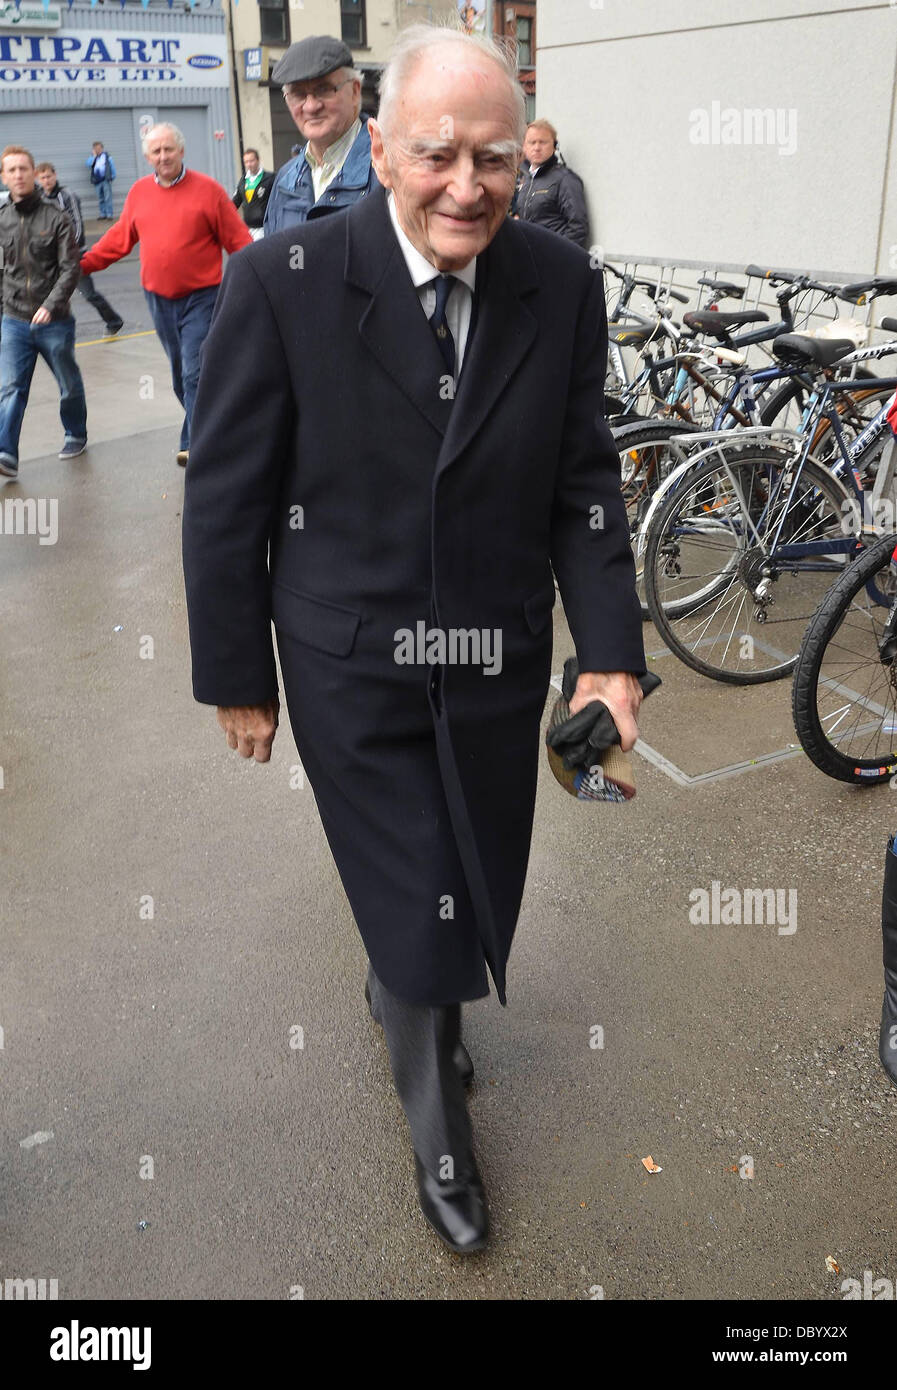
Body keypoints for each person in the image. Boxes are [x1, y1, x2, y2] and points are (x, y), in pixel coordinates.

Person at [182, 24, 645, 1254]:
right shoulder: (281, 280)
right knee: (418, 888)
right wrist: (238, 675)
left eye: (494, 159)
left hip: (494, 657)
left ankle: (410, 982)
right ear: (380, 149)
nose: (467, 186)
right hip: (348, 661)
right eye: (438, 154)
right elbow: (227, 496)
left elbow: (584, 484)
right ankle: (438, 1116)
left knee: (476, 867)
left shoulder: (559, 282)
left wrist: (610, 651)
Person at [79, 123, 251, 468]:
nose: (163, 156)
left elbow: (239, 241)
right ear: (147, 158)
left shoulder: (209, 192)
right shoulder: (140, 193)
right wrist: (81, 265)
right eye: (156, 152)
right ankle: (221, 427)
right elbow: (119, 240)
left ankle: (196, 442)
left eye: (168, 149)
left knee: (194, 371)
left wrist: (258, 280)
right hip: (158, 299)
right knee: (178, 373)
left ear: (181, 151)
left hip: (202, 297)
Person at [0, 145, 86, 480]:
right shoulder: (2, 220)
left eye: (24, 169)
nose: (19, 175)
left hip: (55, 321)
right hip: (14, 320)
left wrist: (51, 306)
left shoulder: (56, 217)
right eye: (12, 170)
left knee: (68, 384)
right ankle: (6, 453)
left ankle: (75, 432)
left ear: (34, 174)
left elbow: (70, 268)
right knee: (10, 388)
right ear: (4, 176)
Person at [263, 35, 378, 235]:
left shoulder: (389, 169)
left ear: (355, 91)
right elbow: (276, 261)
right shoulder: (284, 181)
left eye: (324, 89)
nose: (311, 106)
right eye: (298, 94)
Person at [35, 162, 123, 337]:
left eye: (49, 176)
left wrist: (70, 251)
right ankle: (52, 330)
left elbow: (77, 224)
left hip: (73, 254)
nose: (46, 180)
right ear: (38, 179)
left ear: (55, 175)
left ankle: (114, 321)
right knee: (48, 295)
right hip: (51, 258)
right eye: (43, 178)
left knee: (89, 294)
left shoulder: (68, 196)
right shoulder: (38, 198)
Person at [514, 119, 590, 248]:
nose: (537, 148)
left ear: (555, 146)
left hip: (551, 258)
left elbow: (578, 228)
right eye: (532, 142)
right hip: (529, 256)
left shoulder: (565, 179)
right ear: (524, 147)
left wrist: (557, 256)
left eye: (543, 142)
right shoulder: (525, 178)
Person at [232, 149, 276, 241]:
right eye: (246, 162)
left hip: (263, 228)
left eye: (251, 161)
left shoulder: (270, 178)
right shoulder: (243, 180)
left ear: (258, 160)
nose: (249, 164)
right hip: (247, 228)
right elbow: (235, 202)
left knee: (259, 253)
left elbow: (278, 200)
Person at [87, 141, 116, 220]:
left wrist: (113, 176)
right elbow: (88, 164)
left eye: (99, 148)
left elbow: (112, 166)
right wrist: (94, 156)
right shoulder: (92, 157)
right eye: (96, 148)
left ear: (102, 148)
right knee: (101, 199)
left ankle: (109, 214)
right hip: (97, 181)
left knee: (107, 197)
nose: (98, 150)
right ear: (93, 149)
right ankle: (103, 214)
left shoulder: (107, 156)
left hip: (106, 180)